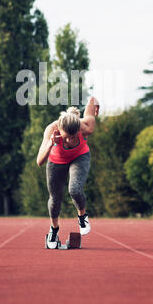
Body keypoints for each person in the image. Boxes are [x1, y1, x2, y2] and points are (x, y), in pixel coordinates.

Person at [37, 96, 100, 249]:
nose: (69, 141)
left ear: (79, 130)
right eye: (66, 138)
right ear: (60, 130)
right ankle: (54, 229)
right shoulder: (51, 130)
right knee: (55, 198)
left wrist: (96, 104)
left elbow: (92, 101)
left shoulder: (86, 126)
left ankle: (82, 216)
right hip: (56, 160)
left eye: (73, 137)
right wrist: (51, 143)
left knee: (75, 189)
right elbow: (39, 161)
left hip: (80, 157)